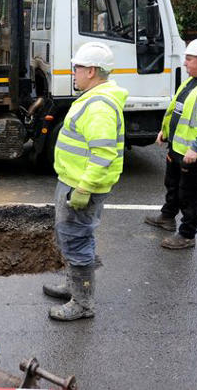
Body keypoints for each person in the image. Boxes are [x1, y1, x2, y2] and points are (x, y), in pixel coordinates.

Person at [43, 41, 128, 321]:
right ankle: (73, 286)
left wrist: (83, 188)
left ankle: (82, 303)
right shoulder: (95, 97)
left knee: (78, 241)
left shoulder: (100, 105)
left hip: (80, 187)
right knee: (70, 236)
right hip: (72, 180)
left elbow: (103, 154)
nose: (74, 72)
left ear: (91, 71)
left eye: (76, 67)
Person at [144, 38, 197, 249]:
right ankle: (167, 217)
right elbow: (178, 110)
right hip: (177, 146)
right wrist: (165, 133)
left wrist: (196, 147)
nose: (185, 63)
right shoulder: (193, 80)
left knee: (189, 193)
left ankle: (187, 235)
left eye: (189, 59)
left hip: (193, 152)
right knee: (172, 183)